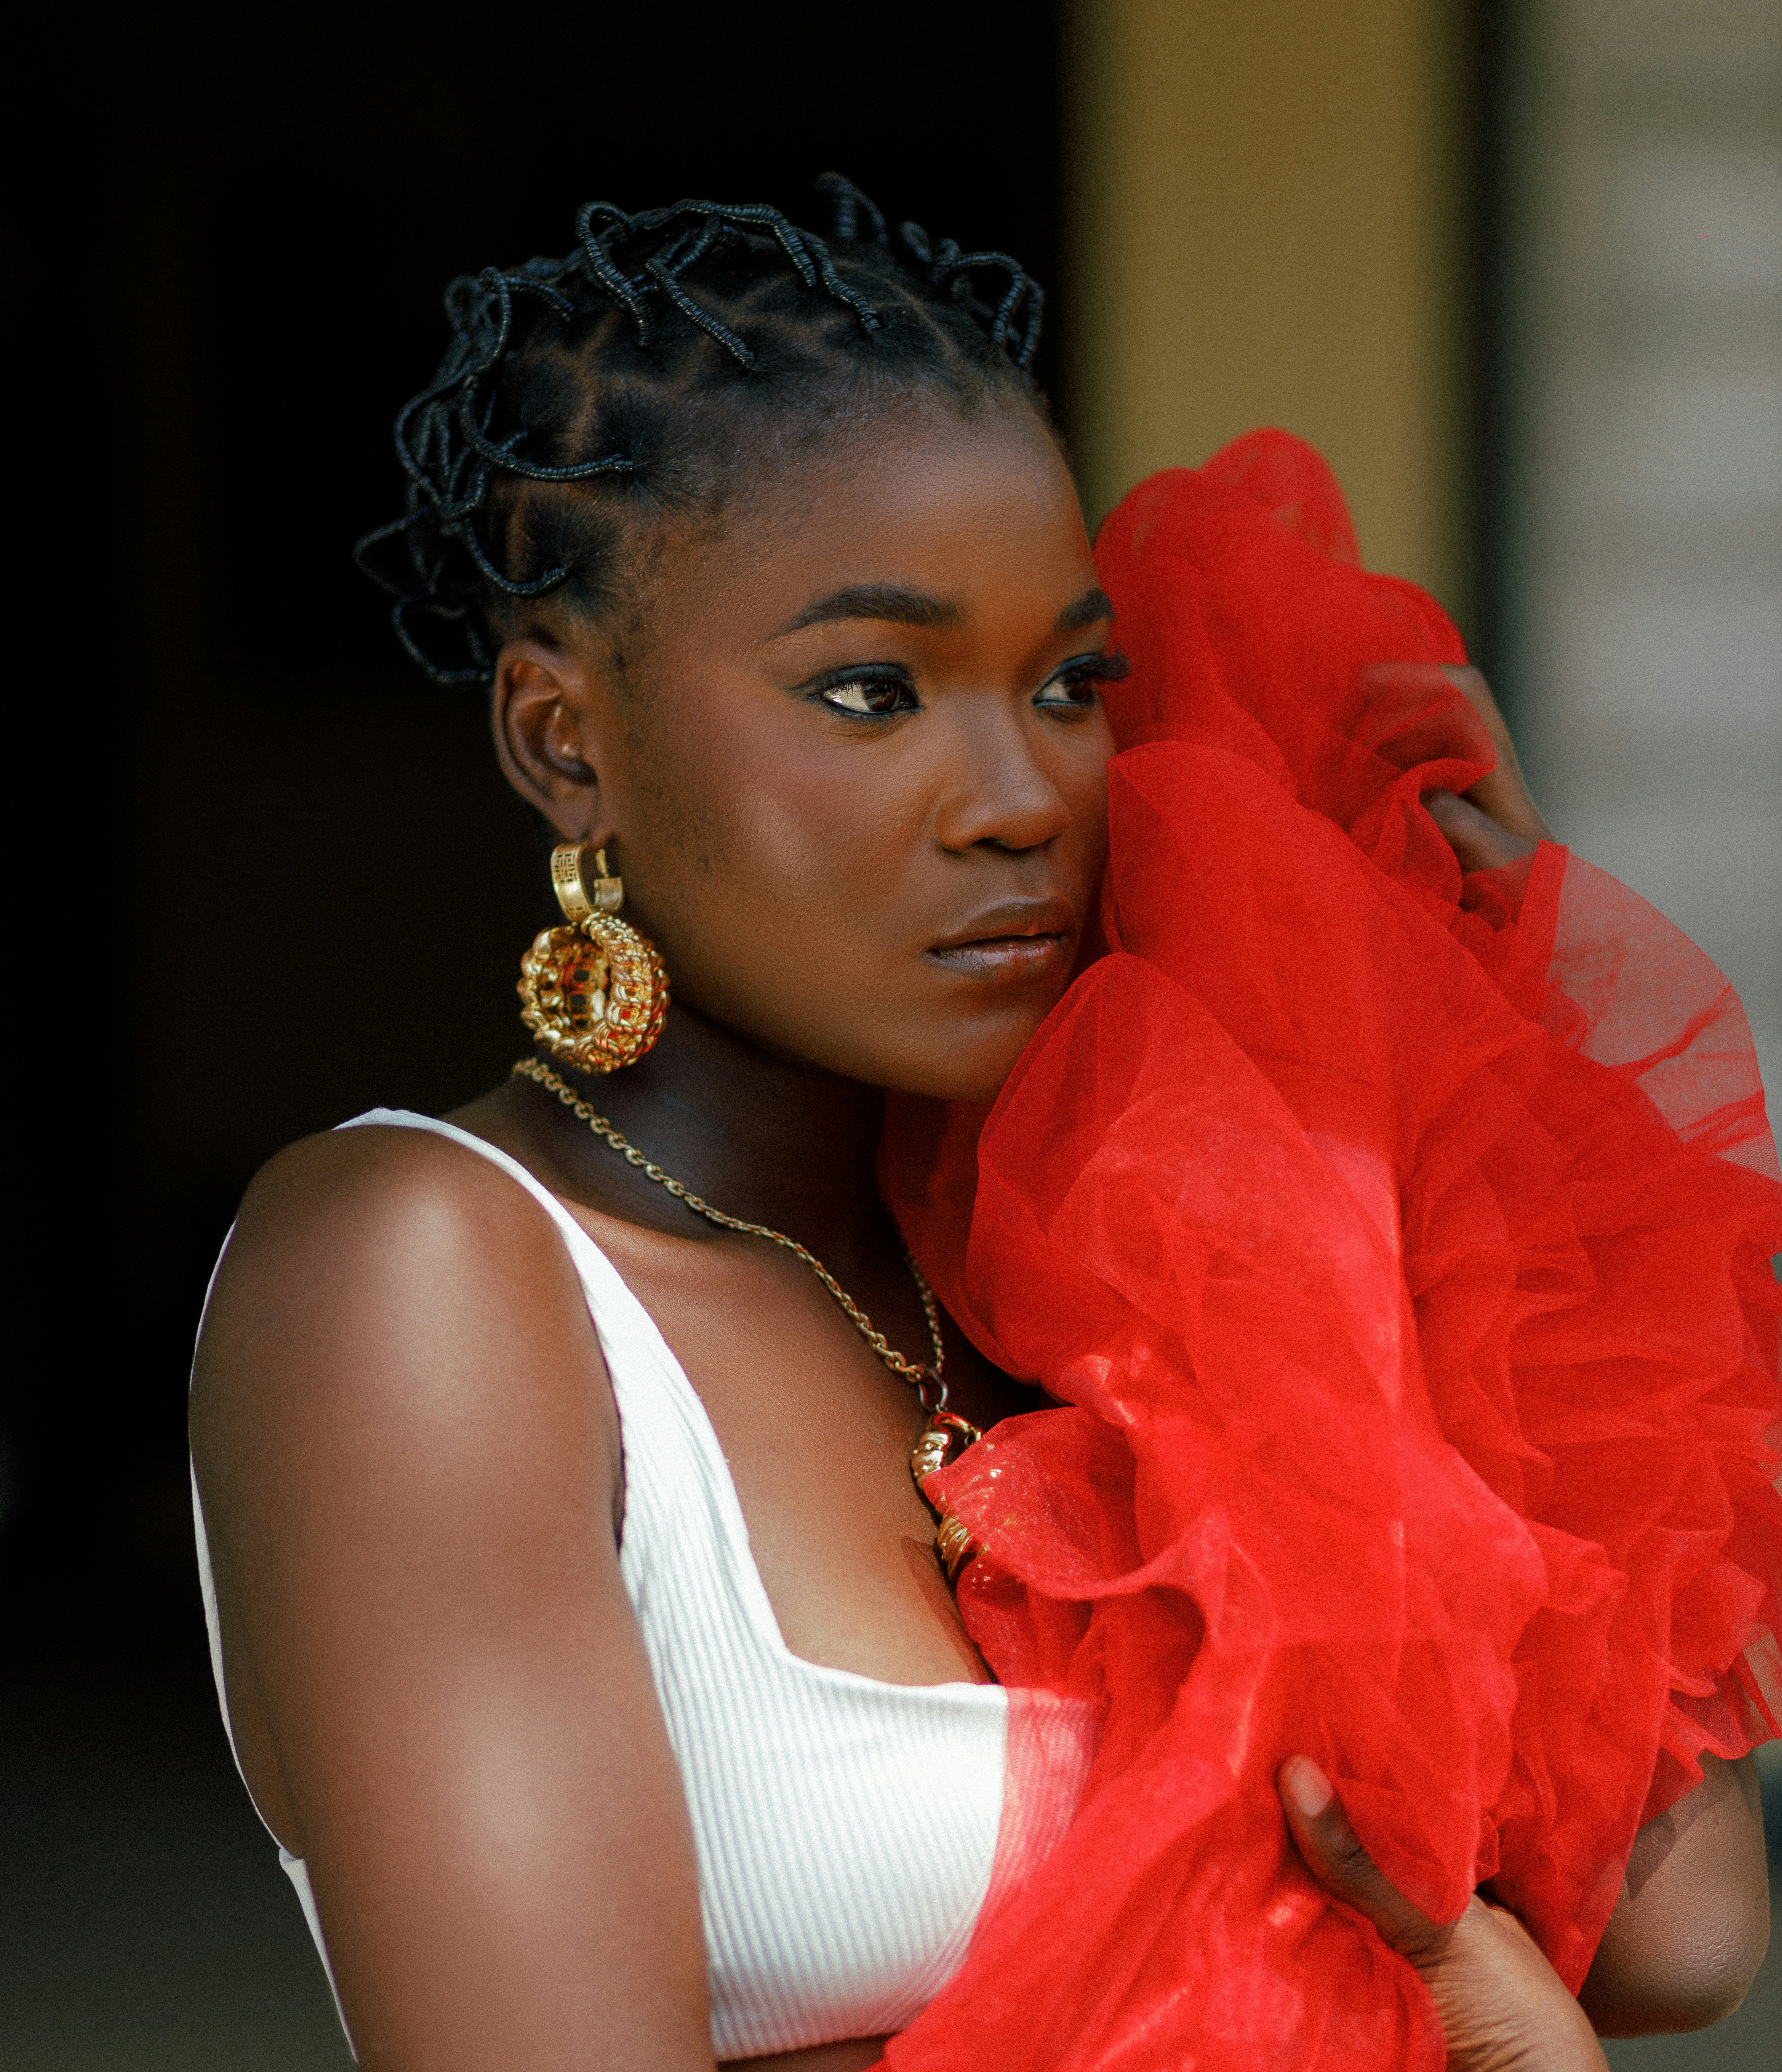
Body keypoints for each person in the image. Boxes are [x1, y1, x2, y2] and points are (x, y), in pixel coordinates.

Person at [189, 183, 1777, 2072]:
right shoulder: (425, 1275)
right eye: (873, 689)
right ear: (564, 738)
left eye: (1068, 683)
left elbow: (1671, 1927)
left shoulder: (1088, 1268)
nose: (1023, 795)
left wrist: (1460, 1083)